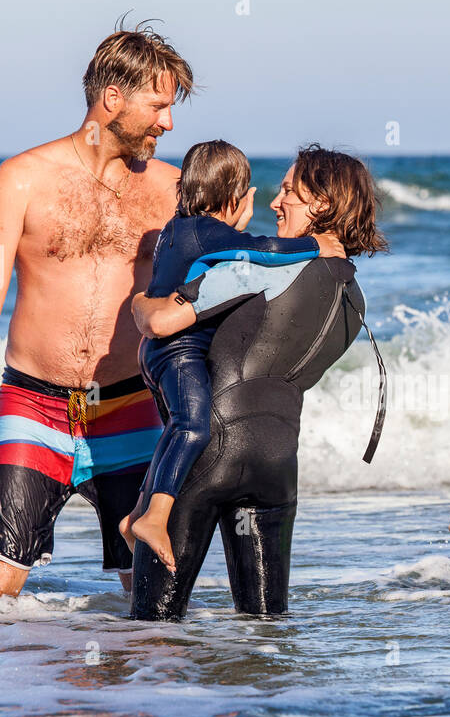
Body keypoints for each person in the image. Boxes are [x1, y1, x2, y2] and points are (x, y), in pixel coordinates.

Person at [0, 23, 193, 602]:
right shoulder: (21, 179)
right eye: (158, 106)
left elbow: (220, 286)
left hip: (131, 408)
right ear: (112, 98)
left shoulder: (173, 192)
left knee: (154, 604)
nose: (167, 124)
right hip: (32, 406)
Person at [131, 145, 388, 621]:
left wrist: (139, 302)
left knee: (152, 628)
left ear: (324, 204)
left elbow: (162, 320)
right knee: (266, 634)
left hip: (207, 457)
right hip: (276, 467)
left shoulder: (260, 269)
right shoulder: (356, 299)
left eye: (290, 190)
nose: (276, 201)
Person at [120, 140, 334, 571]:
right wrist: (316, 245)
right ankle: (154, 518)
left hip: (159, 354)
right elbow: (264, 250)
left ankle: (136, 516)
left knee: (176, 431)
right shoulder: (207, 231)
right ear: (234, 196)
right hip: (179, 350)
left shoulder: (177, 230)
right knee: (194, 429)